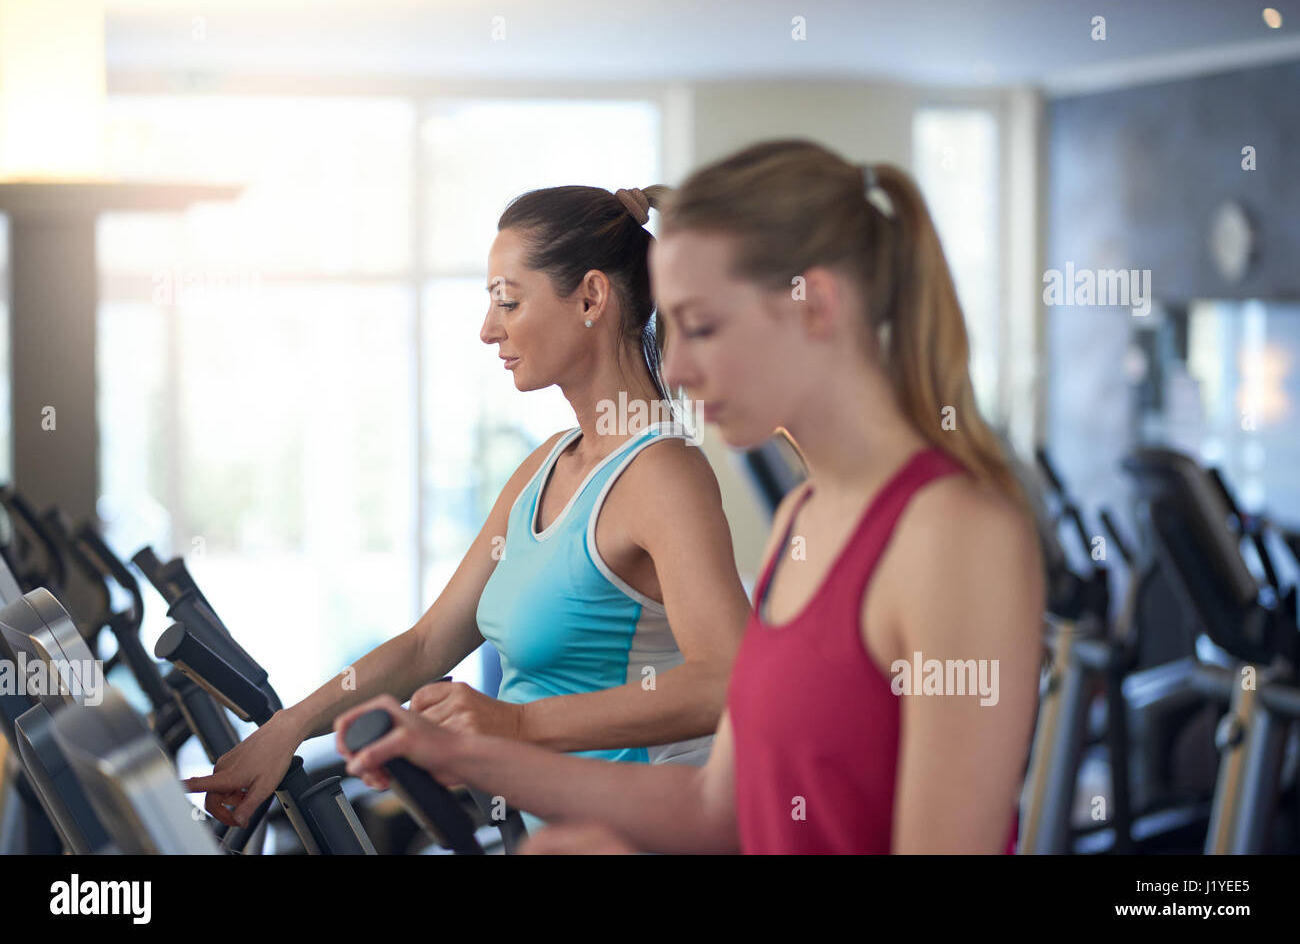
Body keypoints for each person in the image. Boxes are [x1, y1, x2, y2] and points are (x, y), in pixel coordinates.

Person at [336, 139, 1046, 854]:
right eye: (672, 330)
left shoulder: (956, 535)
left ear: (815, 306)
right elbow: (718, 806)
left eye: (702, 326)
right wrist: (466, 754)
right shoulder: (806, 516)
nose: (673, 365)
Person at [185, 185, 751, 832]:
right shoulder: (545, 466)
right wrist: (287, 729)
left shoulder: (662, 472)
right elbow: (427, 645)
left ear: (592, 297)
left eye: (508, 301)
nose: (489, 330)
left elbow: (726, 680)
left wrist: (513, 724)